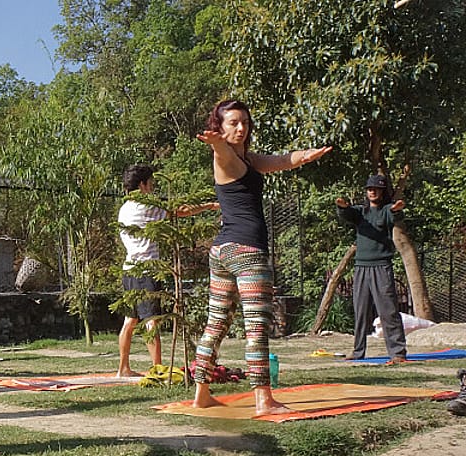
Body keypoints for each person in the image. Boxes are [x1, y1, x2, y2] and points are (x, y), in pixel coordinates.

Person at [192, 99, 331, 416]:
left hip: (223, 250)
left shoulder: (249, 159)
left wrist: (305, 156)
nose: (241, 128)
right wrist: (216, 142)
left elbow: (282, 160)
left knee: (217, 323)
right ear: (220, 126)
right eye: (232, 123)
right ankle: (263, 399)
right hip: (246, 252)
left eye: (244, 122)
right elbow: (222, 153)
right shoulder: (225, 156)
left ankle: (201, 393)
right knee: (257, 327)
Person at [116, 165, 218, 377]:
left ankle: (123, 368)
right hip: (148, 270)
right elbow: (179, 212)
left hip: (129, 269)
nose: (153, 186)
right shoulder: (147, 207)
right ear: (142, 184)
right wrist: (208, 206)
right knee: (151, 320)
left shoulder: (124, 208)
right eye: (150, 182)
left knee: (130, 320)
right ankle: (158, 370)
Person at [335, 175, 408, 365]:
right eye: (369, 189)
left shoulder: (385, 210)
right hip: (361, 268)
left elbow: (394, 215)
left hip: (382, 267)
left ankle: (398, 353)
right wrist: (342, 207)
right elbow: (348, 214)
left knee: (388, 311)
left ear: (382, 192)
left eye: (376, 189)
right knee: (360, 311)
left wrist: (397, 210)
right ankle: (358, 351)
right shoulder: (360, 212)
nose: (372, 191)